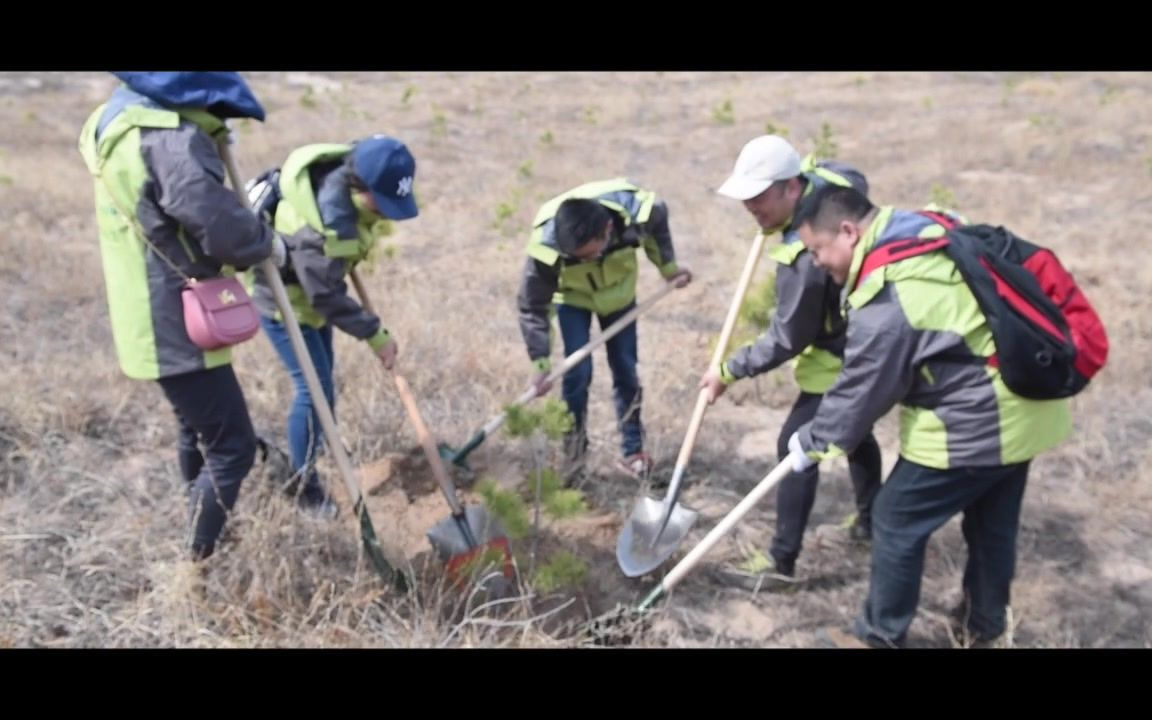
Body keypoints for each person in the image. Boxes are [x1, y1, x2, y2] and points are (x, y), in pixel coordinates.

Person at [789, 183, 1074, 648]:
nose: (817, 262)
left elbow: (864, 387)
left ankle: (878, 636)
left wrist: (816, 439)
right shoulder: (926, 228)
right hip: (1028, 408)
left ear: (848, 232)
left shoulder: (890, 291)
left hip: (977, 423)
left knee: (895, 517)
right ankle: (985, 628)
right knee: (993, 522)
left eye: (818, 249)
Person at [77, 71, 286, 560]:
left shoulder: (118, 120)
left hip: (145, 306)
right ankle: (197, 559)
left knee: (195, 427)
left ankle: (200, 513)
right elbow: (220, 228)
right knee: (233, 447)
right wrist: (265, 243)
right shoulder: (168, 139)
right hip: (175, 314)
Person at [699, 135, 881, 587]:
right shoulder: (831, 183)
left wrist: (729, 370)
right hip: (858, 327)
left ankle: (782, 561)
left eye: (759, 196)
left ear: (793, 189)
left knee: (794, 446)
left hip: (848, 345)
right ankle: (871, 522)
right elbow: (848, 172)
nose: (750, 206)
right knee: (856, 435)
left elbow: (789, 337)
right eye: (745, 196)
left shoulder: (804, 257)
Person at [247, 136, 417, 516]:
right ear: (361, 188)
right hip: (287, 306)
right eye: (385, 203)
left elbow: (328, 279)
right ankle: (303, 484)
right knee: (314, 391)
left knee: (323, 385)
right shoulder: (324, 225)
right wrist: (374, 333)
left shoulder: (346, 189)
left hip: (313, 300)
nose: (391, 213)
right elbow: (324, 295)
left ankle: (316, 443)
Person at [516, 179, 692, 481]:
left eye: (589, 254)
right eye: (576, 258)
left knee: (625, 368)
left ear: (608, 230)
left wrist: (669, 269)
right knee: (577, 374)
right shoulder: (548, 243)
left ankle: (633, 451)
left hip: (620, 296)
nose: (583, 261)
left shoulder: (637, 211)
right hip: (573, 299)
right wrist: (540, 361)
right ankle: (574, 460)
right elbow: (533, 304)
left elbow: (658, 228)